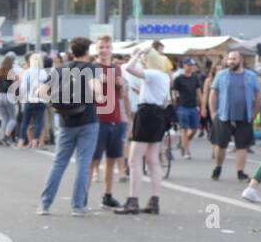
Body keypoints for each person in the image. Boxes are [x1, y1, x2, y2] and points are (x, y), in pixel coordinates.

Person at [37, 37, 101, 216]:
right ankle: (77, 206)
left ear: (72, 51)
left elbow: (40, 92)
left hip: (66, 121)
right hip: (88, 121)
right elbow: (97, 91)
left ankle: (45, 204)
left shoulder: (61, 69)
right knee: (83, 163)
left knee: (59, 162)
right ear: (87, 51)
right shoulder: (91, 69)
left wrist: (54, 103)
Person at [114, 46, 172, 215]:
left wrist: (137, 54)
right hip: (159, 115)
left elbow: (129, 68)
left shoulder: (152, 74)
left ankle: (133, 200)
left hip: (146, 114)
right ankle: (155, 201)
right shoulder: (164, 77)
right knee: (153, 160)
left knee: (134, 159)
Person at [88, 36, 131, 208]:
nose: (104, 50)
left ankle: (107, 195)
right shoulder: (92, 68)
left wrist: (120, 86)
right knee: (93, 161)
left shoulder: (116, 69)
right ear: (96, 50)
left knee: (112, 159)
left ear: (111, 49)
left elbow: (121, 96)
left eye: (106, 47)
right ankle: (83, 195)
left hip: (115, 118)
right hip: (97, 119)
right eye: (101, 47)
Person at [208, 49, 261, 182]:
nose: (230, 61)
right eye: (229, 59)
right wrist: (213, 113)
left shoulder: (251, 76)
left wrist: (254, 113)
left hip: (244, 117)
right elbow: (213, 94)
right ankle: (218, 167)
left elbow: (258, 94)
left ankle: (240, 172)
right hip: (223, 116)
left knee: (242, 146)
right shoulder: (221, 75)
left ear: (241, 60)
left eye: (234, 59)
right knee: (221, 145)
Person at [172, 58, 204, 159]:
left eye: (192, 65)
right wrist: (174, 106)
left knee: (194, 129)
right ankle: (186, 151)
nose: (191, 67)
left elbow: (199, 92)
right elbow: (174, 93)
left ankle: (183, 143)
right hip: (182, 107)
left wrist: (202, 105)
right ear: (184, 65)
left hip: (193, 106)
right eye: (189, 65)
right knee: (184, 129)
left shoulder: (195, 78)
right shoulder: (178, 79)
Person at [18, 52, 48, 148]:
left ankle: (21, 142)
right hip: (41, 99)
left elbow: (23, 87)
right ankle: (35, 142)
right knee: (39, 122)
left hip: (30, 99)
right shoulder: (43, 72)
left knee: (25, 121)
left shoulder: (28, 72)